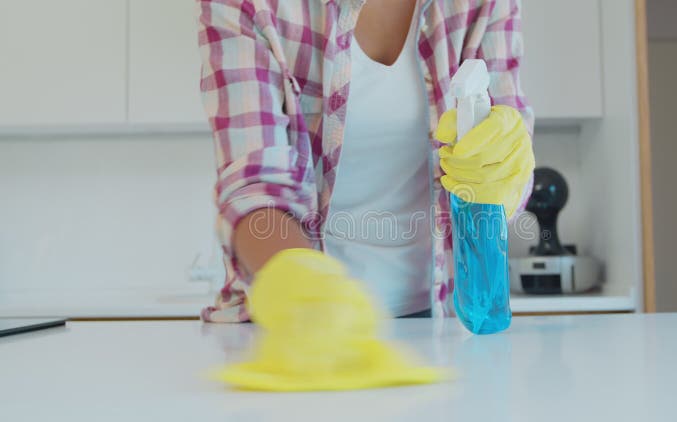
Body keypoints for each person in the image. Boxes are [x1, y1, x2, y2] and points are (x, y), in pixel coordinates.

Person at [197, 0, 535, 322]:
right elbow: (254, 187)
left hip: (441, 320)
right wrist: (308, 295)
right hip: (293, 322)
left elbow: (509, 166)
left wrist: (505, 178)